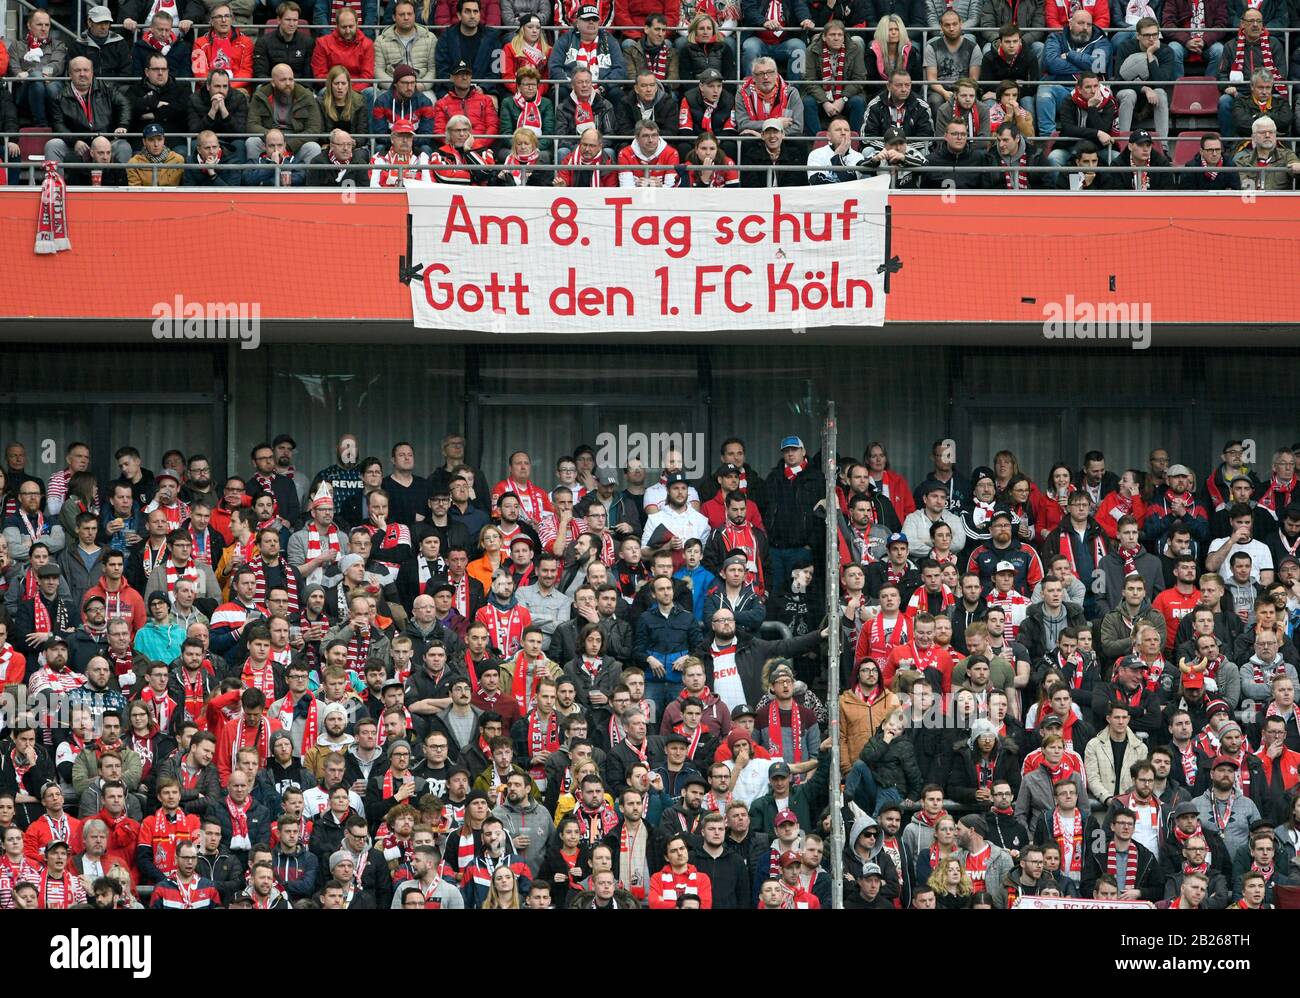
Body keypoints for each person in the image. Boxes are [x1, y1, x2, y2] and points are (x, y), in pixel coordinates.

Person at [246, 64, 325, 165]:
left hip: (295, 143)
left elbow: (314, 129)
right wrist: (273, 138)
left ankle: (302, 175)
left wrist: (289, 145)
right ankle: (255, 174)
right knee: (252, 142)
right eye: (283, 80)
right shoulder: (261, 95)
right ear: (273, 82)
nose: (288, 83)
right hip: (269, 142)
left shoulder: (306, 96)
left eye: (291, 79)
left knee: (313, 147)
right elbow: (252, 125)